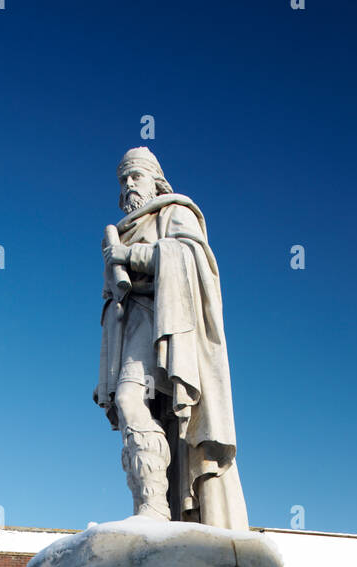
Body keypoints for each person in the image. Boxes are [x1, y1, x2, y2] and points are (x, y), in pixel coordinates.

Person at [95, 147, 248, 527]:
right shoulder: (122, 230)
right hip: (134, 326)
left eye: (136, 176)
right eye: (124, 179)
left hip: (170, 324)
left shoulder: (176, 212)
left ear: (155, 179)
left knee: (136, 400)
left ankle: (155, 508)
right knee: (147, 413)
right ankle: (154, 506)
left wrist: (129, 256)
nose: (129, 185)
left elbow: (193, 260)